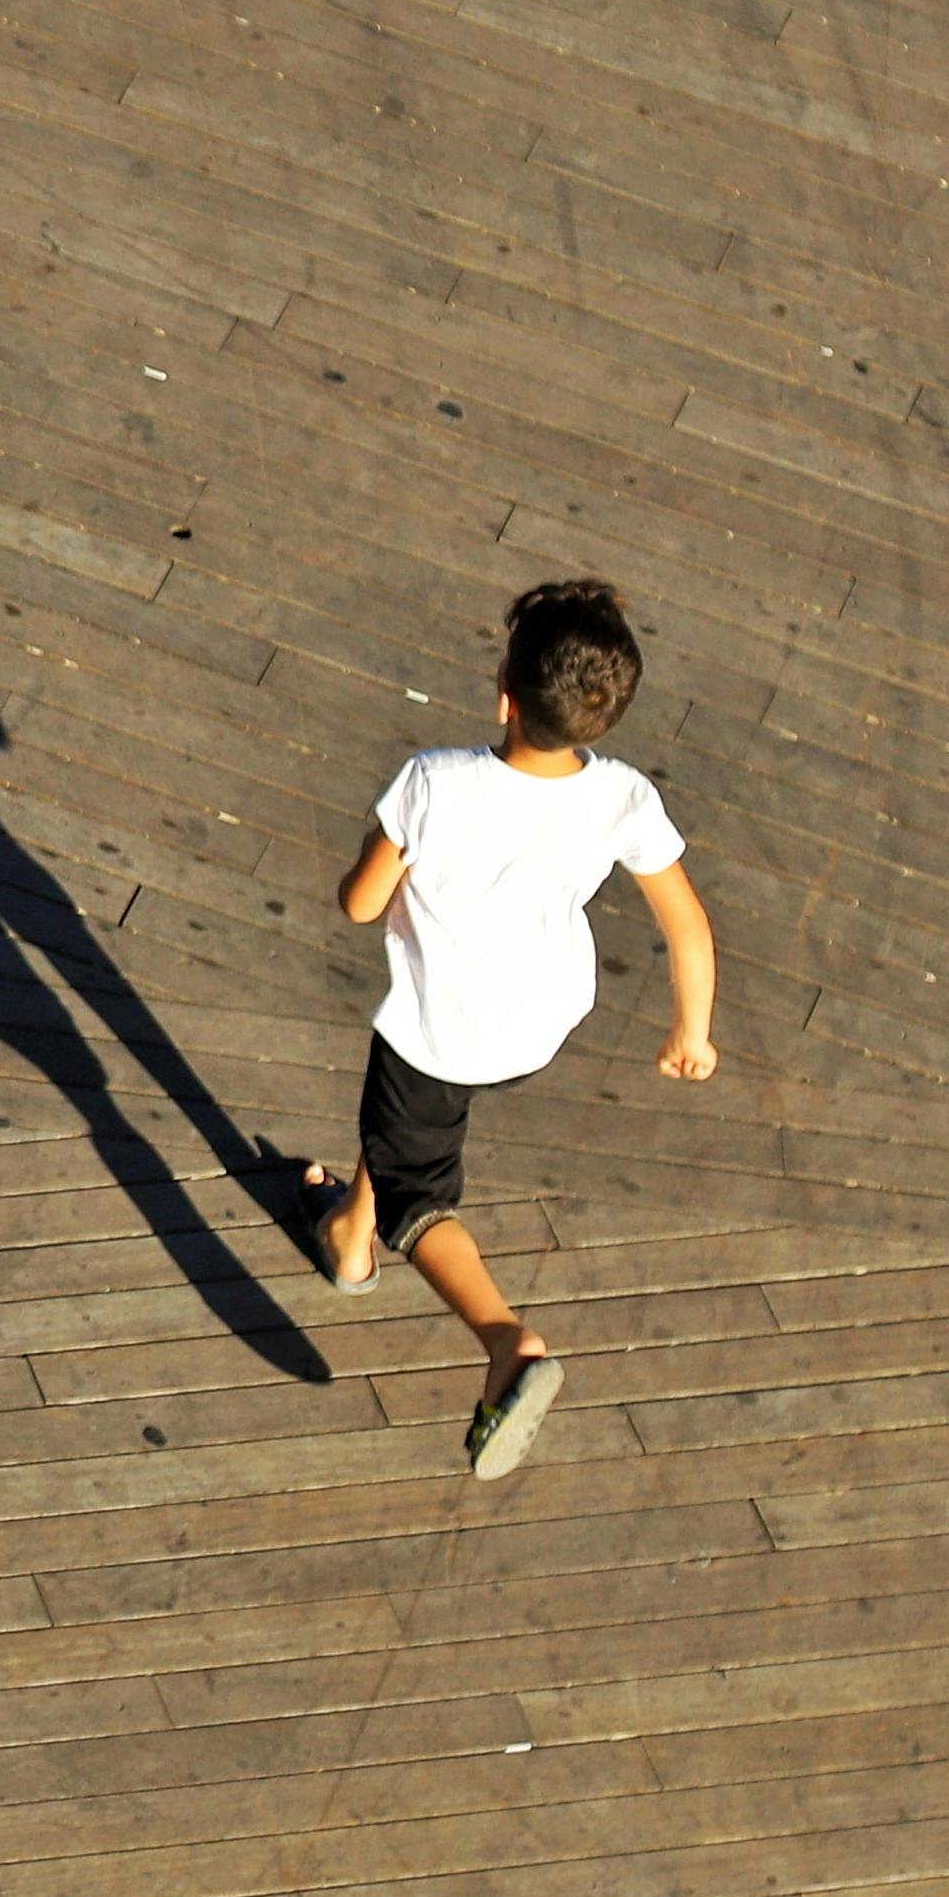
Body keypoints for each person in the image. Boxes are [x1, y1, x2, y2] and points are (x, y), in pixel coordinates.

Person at [304, 578, 718, 1478]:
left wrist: (374, 880)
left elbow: (361, 902)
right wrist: (693, 1033)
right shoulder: (622, 797)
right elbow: (686, 924)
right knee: (408, 1123)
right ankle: (346, 1233)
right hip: (537, 1021)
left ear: (502, 690)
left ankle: (503, 1343)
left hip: (439, 1028)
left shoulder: (433, 783)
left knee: (420, 1186)